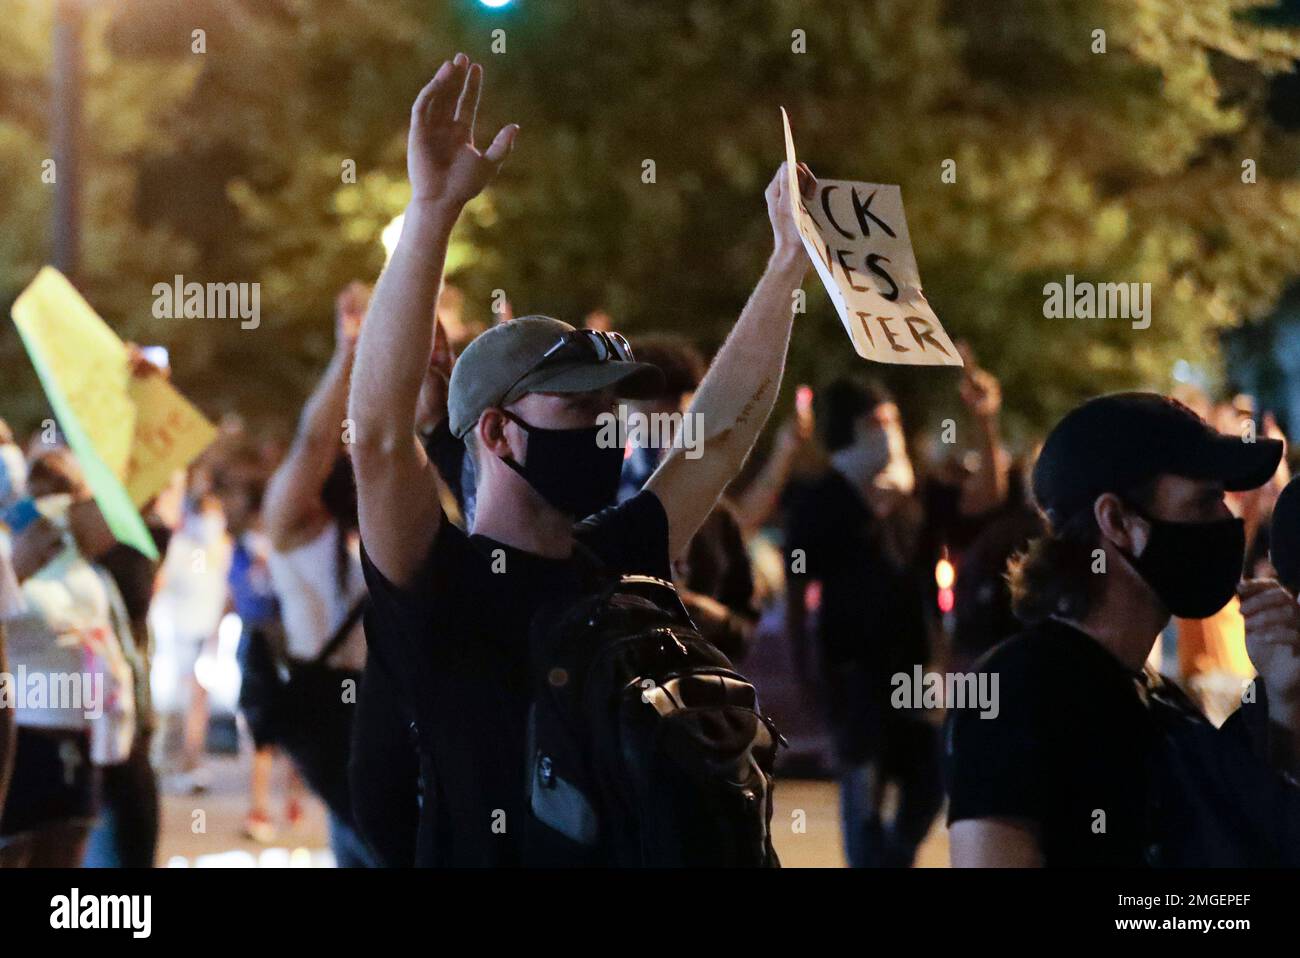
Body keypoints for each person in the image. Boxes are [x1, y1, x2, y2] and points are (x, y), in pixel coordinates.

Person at [348, 53, 812, 866]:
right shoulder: (438, 583)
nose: (608, 430)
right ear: (496, 433)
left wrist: (786, 267)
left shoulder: (621, 560)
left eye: (611, 408)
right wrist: (431, 212)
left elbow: (726, 425)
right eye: (580, 408)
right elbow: (381, 441)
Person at [946, 392, 1300, 867]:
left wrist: (1284, 696)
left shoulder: (1161, 703)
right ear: (1116, 521)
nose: (1226, 523)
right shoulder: (1019, 691)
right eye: (1204, 502)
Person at [783, 378, 943, 867]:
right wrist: (804, 670)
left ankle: (893, 859)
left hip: (913, 668)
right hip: (853, 671)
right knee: (863, 795)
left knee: (931, 778)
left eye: (892, 421)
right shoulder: (819, 498)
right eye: (877, 423)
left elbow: (929, 582)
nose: (888, 433)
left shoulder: (912, 498)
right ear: (849, 429)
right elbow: (795, 590)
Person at [262, 282, 373, 867]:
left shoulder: (373, 527)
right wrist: (347, 352)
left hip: (378, 697)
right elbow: (311, 442)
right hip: (326, 701)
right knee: (370, 834)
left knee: (365, 838)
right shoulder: (298, 526)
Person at [619, 334, 760, 663]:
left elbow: (744, 627)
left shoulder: (716, 513)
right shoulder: (592, 507)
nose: (670, 434)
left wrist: (710, 616)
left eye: (682, 417)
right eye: (654, 418)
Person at [211, 444, 307, 845]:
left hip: (288, 639)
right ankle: (259, 806)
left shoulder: (292, 545)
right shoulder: (238, 551)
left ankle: (294, 800)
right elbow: (233, 594)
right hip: (256, 640)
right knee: (258, 726)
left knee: (295, 723)